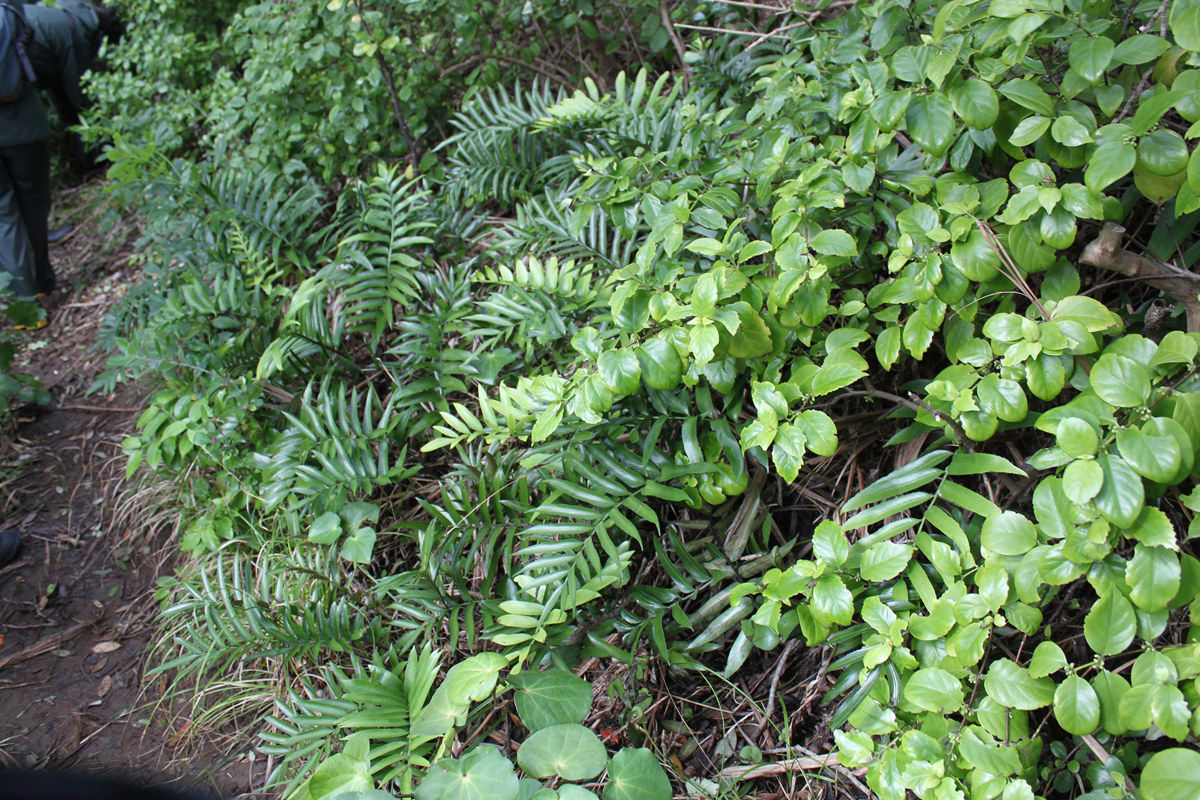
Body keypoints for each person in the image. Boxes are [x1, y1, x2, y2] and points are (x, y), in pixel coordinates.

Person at [24, 0, 123, 175]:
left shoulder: (62, 19)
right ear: (101, 34)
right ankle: (95, 167)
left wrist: (68, 121)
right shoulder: (74, 32)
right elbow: (80, 94)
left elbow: (54, 82)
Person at [0, 13, 53, 301]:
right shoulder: (8, 11)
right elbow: (36, 60)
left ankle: (24, 302)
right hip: (25, 125)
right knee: (34, 205)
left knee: (3, 214)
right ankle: (42, 281)